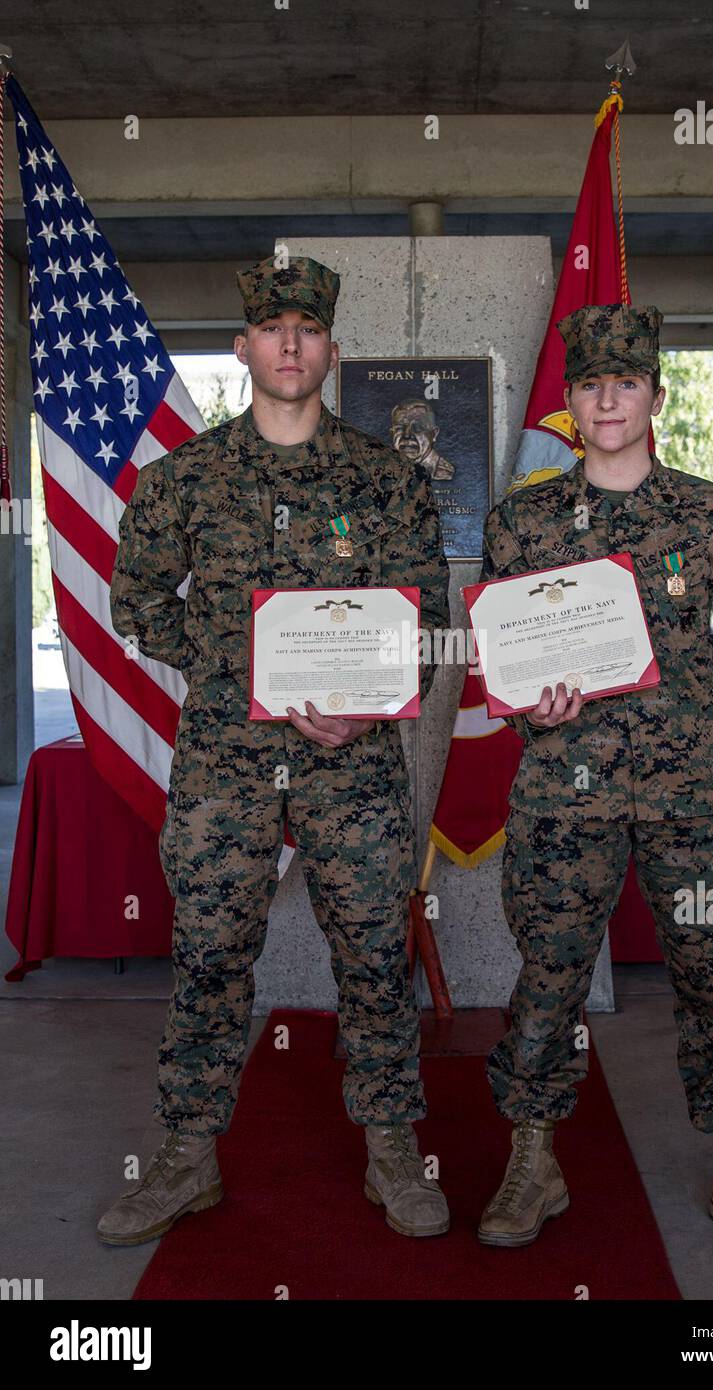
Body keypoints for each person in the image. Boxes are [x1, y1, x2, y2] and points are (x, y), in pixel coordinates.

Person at [98, 254, 452, 1245]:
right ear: (243, 346)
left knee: (375, 952)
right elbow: (136, 606)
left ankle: (391, 1147)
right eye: (273, 328)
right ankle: (185, 1157)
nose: (290, 343)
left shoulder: (385, 481)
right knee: (210, 953)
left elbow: (426, 621)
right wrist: (238, 673)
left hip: (353, 762)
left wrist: (362, 702)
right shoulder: (183, 482)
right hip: (227, 759)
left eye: (307, 329)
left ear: (330, 351)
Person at [476, 303, 713, 1257]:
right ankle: (533, 1161)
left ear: (655, 396)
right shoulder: (525, 522)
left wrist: (689, 668)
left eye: (627, 383)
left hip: (692, 795)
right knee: (546, 981)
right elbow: (503, 657)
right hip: (563, 794)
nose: (608, 398)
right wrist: (525, 704)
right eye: (590, 384)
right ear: (572, 403)